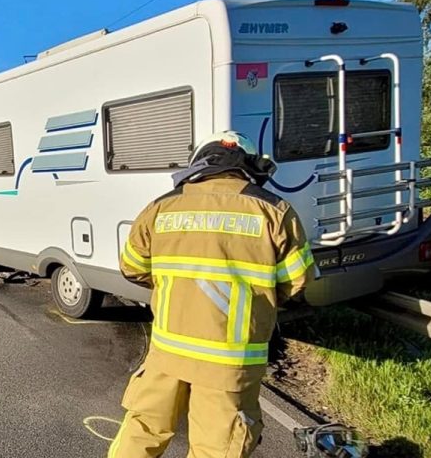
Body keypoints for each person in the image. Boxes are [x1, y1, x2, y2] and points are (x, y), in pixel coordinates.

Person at [108, 131, 315, 458]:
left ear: (199, 164)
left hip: (168, 351)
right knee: (216, 448)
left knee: (142, 432)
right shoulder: (275, 212)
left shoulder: (161, 208)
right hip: (230, 362)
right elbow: (297, 282)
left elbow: (132, 266)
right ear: (247, 168)